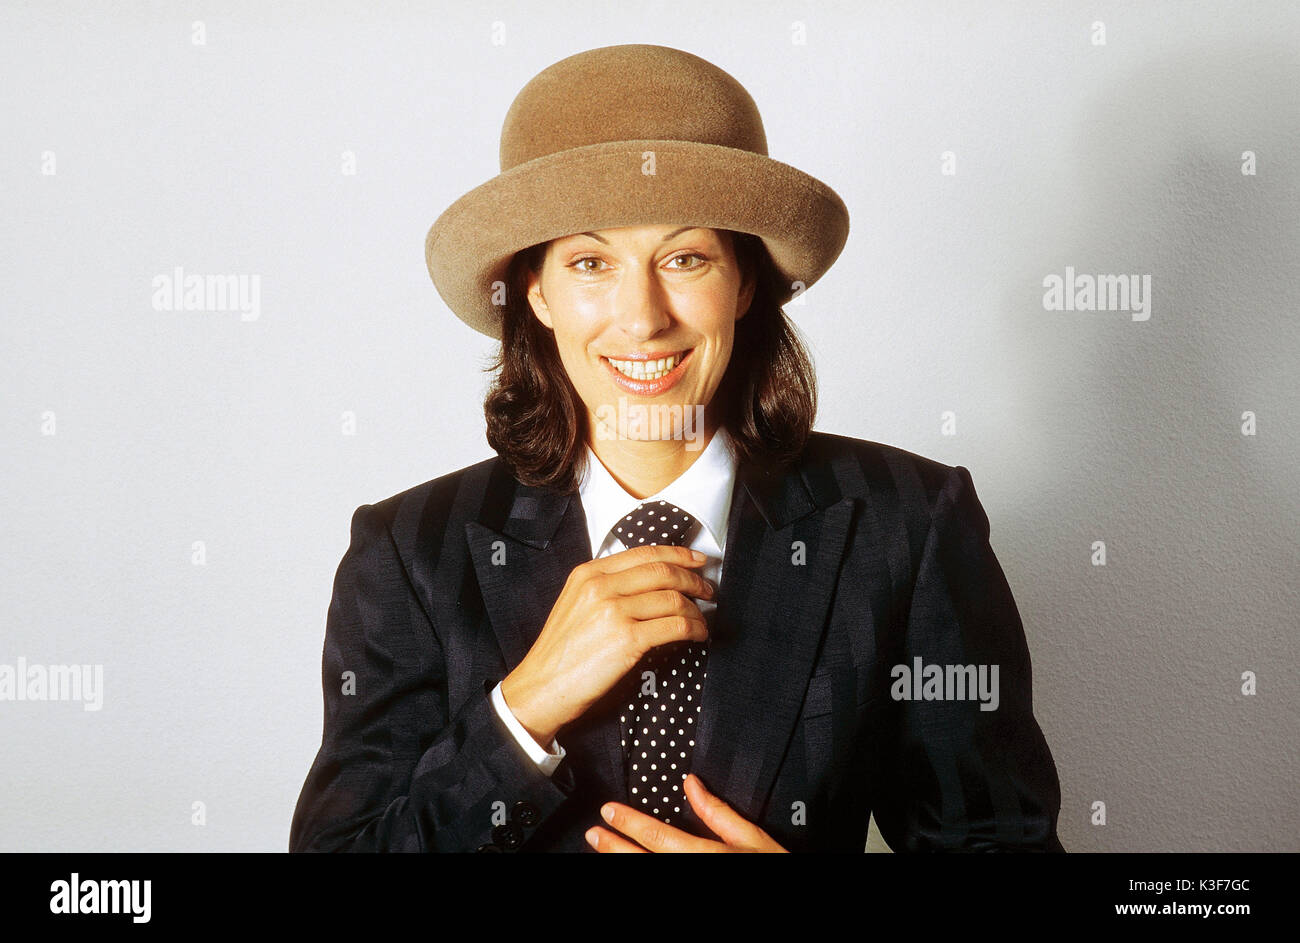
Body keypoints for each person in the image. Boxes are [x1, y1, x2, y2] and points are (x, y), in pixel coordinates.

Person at [289, 43, 1064, 853]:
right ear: (536, 290)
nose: (642, 315)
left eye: (685, 257)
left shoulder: (907, 524)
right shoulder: (408, 553)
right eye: (590, 262)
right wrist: (521, 709)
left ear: (746, 281)